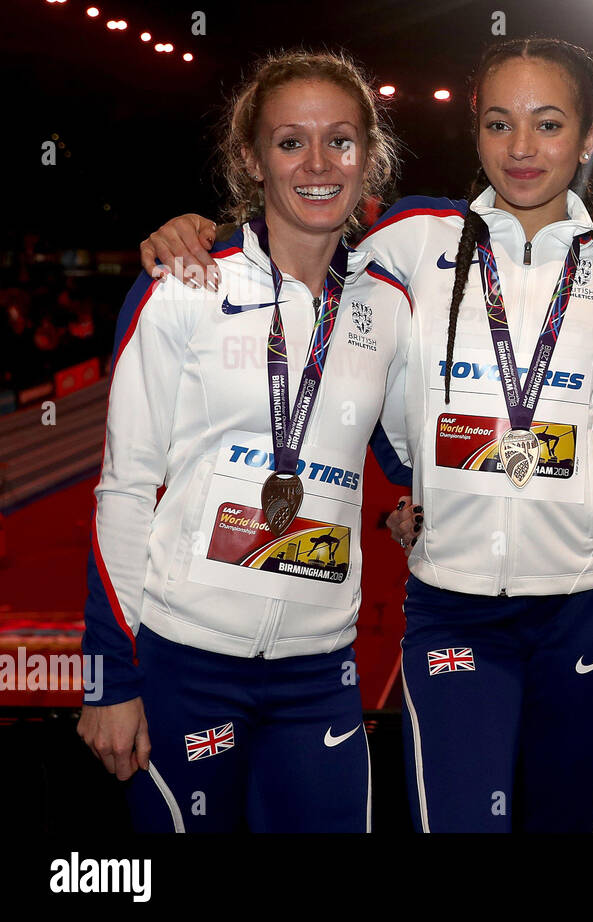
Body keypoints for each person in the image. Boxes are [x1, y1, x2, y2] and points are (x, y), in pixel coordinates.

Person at [143, 41, 593, 833]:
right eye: (500, 124)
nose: (523, 148)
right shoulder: (411, 240)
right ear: (477, 132)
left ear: (588, 137)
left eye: (549, 123)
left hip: (587, 605)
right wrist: (201, 231)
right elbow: (306, 242)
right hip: (454, 608)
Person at [79, 50, 411, 832]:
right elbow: (124, 489)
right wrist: (108, 679)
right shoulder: (184, 285)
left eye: (342, 140)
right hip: (185, 665)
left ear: (371, 157)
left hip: (319, 674)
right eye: (291, 141)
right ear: (251, 161)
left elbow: (404, 451)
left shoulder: (390, 305)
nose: (319, 162)